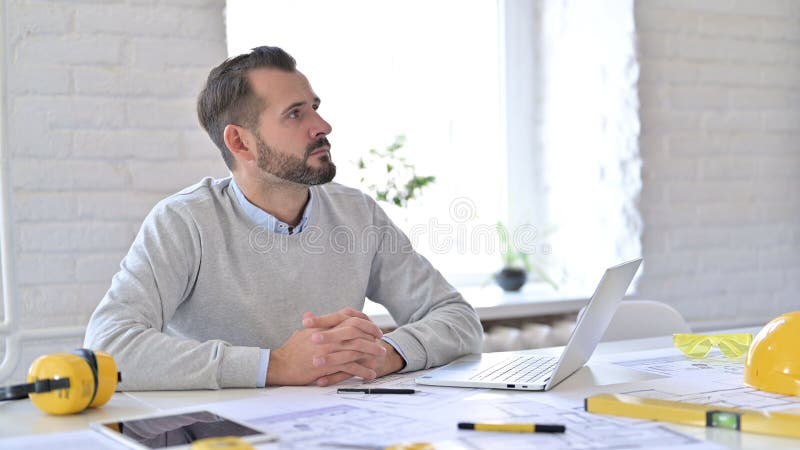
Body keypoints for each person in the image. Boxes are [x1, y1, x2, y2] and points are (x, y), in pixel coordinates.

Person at [84, 46, 483, 390]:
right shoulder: (183, 221)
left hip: (337, 428)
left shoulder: (357, 213)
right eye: (295, 114)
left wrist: (389, 352)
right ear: (240, 142)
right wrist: (273, 365)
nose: (322, 127)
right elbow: (107, 348)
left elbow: (459, 319)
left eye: (315, 108)